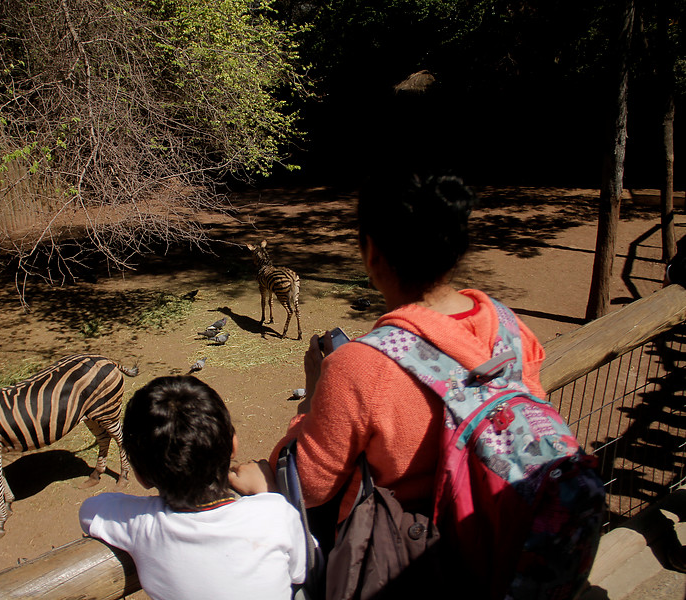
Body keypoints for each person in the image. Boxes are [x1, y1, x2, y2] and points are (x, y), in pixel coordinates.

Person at [229, 174, 547, 578]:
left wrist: (312, 396)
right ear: (457, 250)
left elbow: (308, 485)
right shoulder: (510, 327)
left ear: (371, 253)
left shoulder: (361, 365)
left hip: (414, 562)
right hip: (504, 542)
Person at [79, 375, 307, 600]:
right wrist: (267, 494)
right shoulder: (276, 513)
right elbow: (300, 571)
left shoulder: (141, 526)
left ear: (140, 476)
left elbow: (90, 511)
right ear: (233, 444)